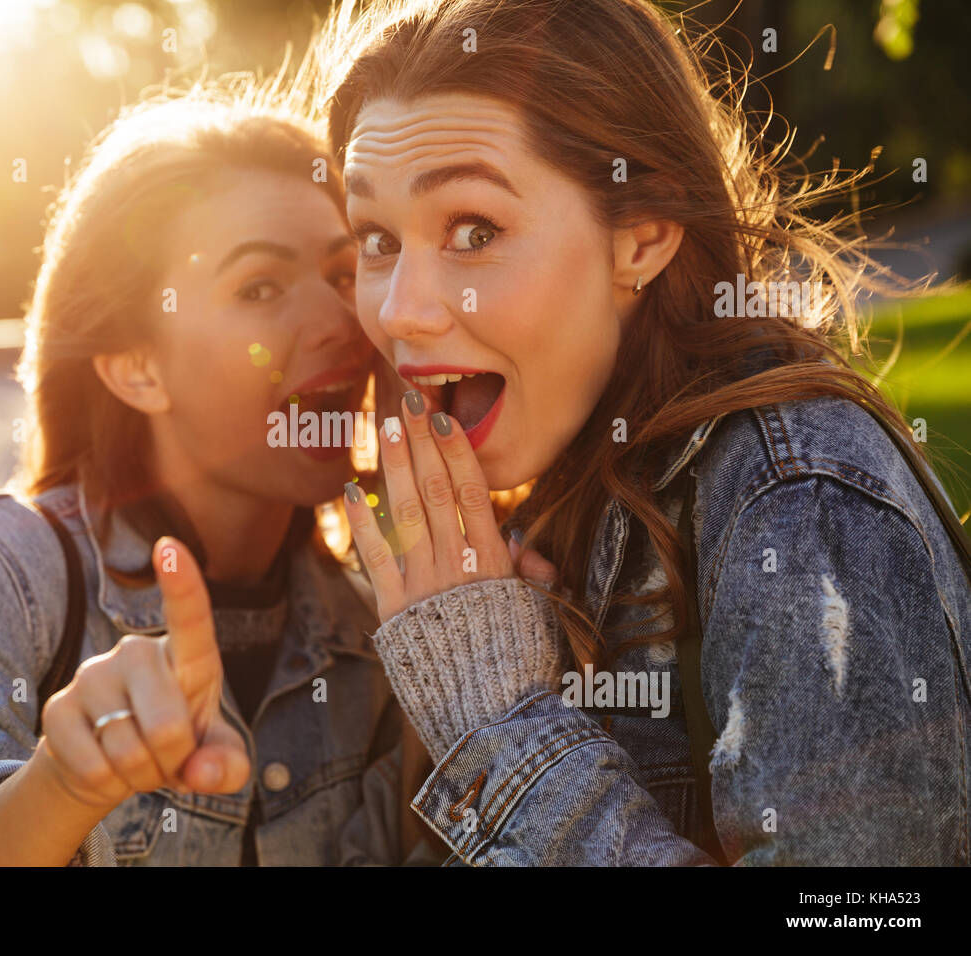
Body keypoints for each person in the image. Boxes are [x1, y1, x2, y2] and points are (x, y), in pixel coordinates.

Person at [321, 0, 971, 864]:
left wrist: (500, 717)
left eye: (474, 231)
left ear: (643, 236)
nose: (401, 310)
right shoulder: (561, 503)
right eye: (376, 238)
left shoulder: (799, 503)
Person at [0, 79, 435, 866]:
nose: (343, 321)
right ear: (137, 368)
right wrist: (60, 789)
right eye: (260, 287)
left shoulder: (382, 625)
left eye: (344, 274)